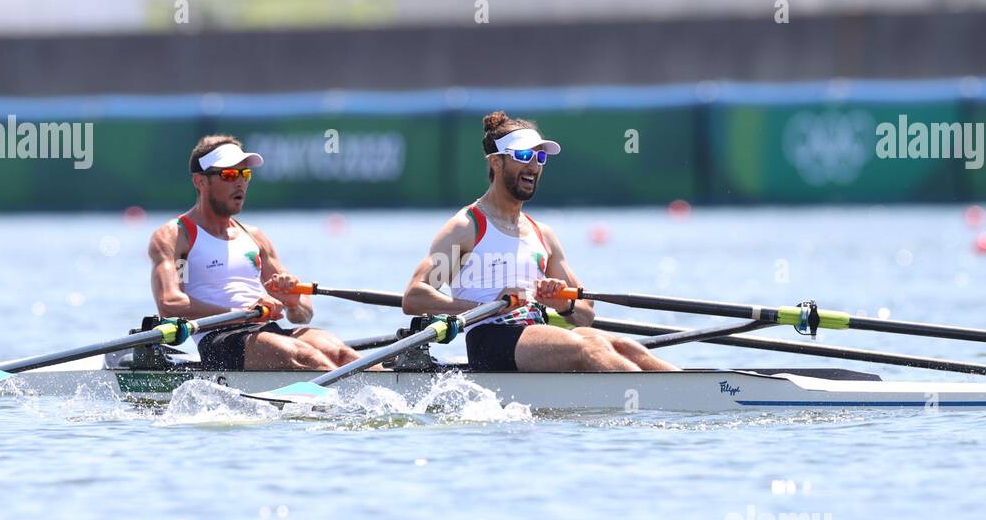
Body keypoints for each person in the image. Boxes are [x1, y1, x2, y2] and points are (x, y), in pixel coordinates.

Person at [402, 111, 678, 373]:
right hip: (492, 339)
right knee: (590, 347)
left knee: (624, 346)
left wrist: (562, 303)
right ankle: (647, 401)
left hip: (535, 330)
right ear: (496, 162)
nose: (534, 166)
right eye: (523, 156)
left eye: (540, 157)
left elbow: (585, 313)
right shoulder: (466, 229)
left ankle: (705, 393)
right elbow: (415, 296)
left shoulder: (541, 234)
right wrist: (479, 308)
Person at [147, 134, 360, 371]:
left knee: (341, 353)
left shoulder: (255, 237)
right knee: (306, 357)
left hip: (266, 330)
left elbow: (303, 315)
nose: (240, 183)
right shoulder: (176, 236)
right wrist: (240, 314)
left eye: (245, 174)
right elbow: (170, 303)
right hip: (221, 339)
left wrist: (292, 302)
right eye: (229, 175)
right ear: (200, 181)